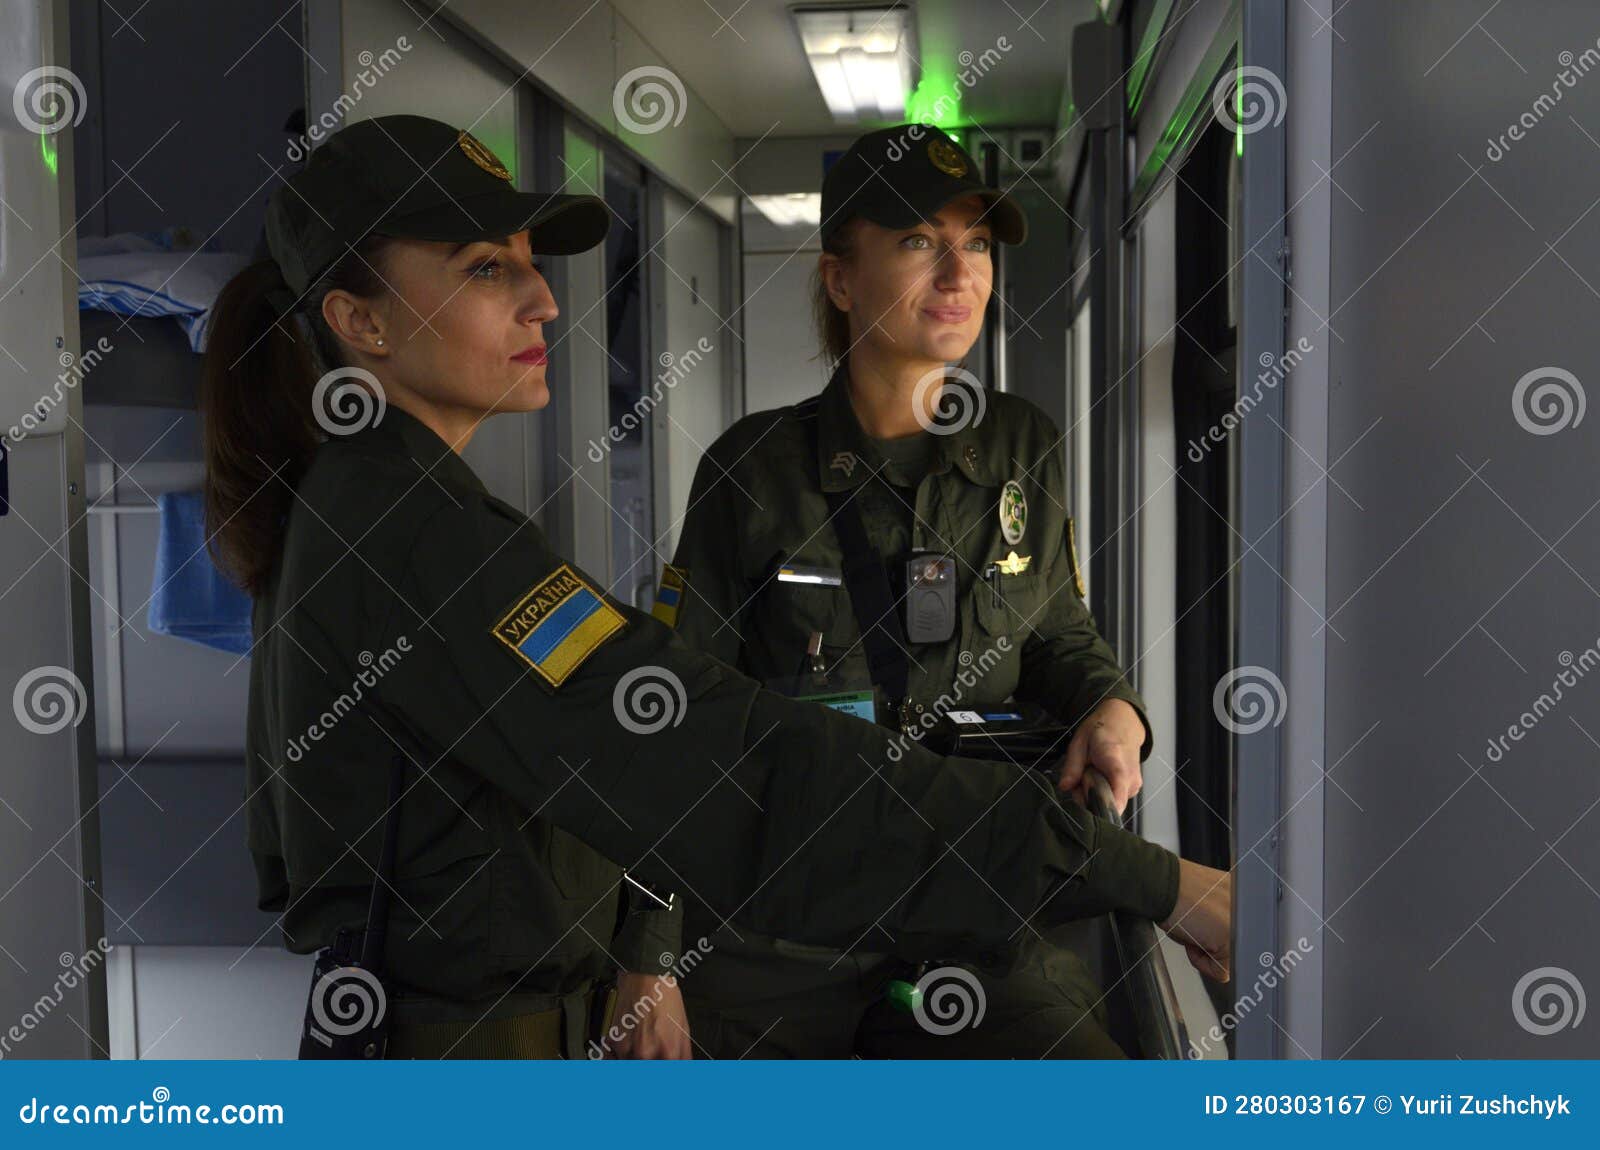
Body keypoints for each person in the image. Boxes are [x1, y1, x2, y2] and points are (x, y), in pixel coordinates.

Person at [200, 114, 1230, 1061]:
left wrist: (1109, 707)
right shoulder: (410, 532)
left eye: (529, 263)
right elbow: (720, 764)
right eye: (483, 267)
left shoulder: (394, 504)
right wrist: (1152, 880)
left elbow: (1049, 629)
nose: (545, 297)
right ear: (361, 323)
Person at [661, 125, 1201, 1058]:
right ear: (840, 279)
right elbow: (673, 727)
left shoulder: (1021, 443)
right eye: (918, 242)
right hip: (783, 932)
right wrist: (651, 959)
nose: (959, 274)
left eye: (977, 245)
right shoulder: (751, 468)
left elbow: (1057, 629)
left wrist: (1113, 708)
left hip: (975, 903)